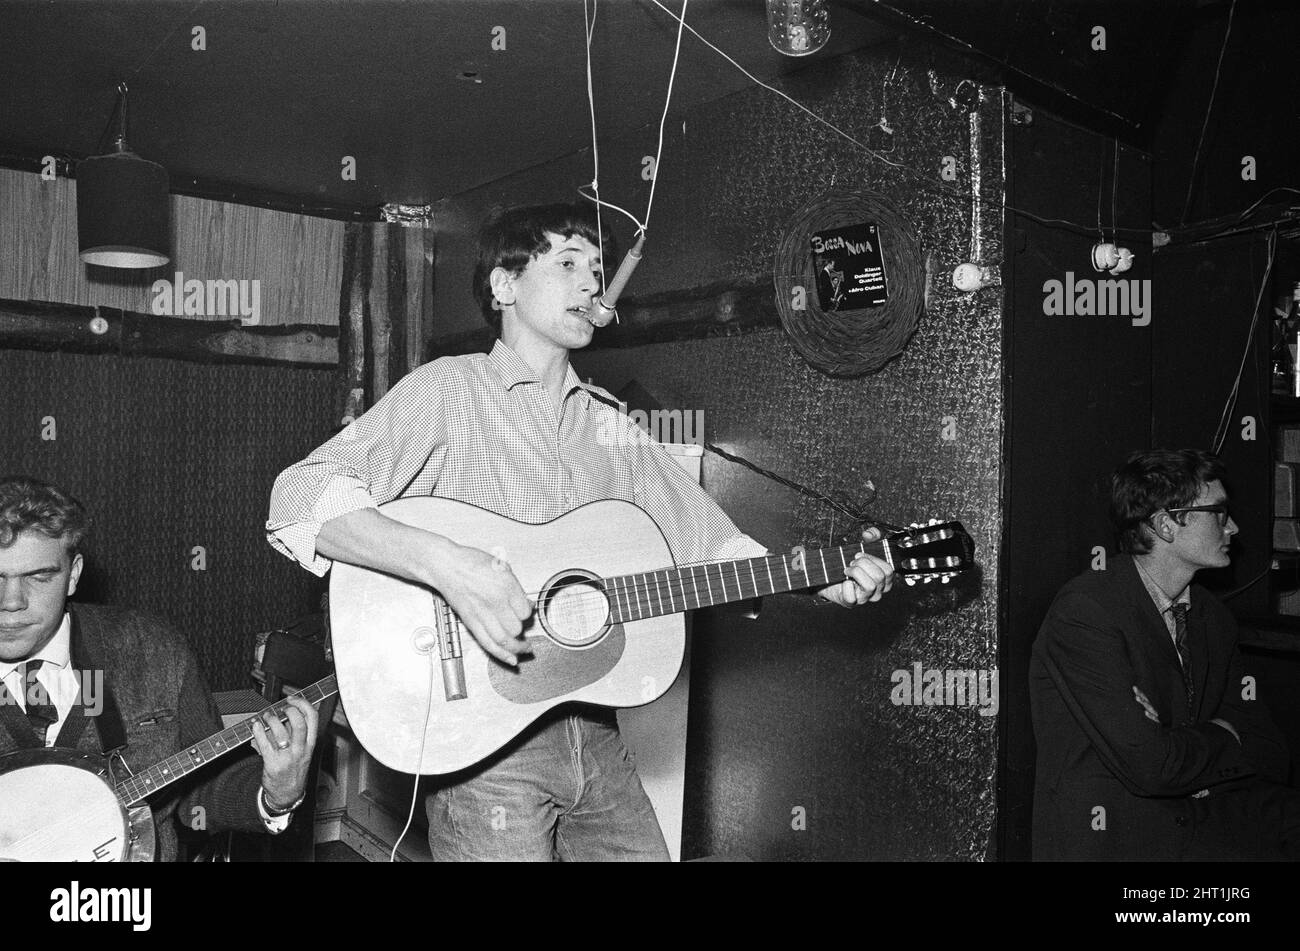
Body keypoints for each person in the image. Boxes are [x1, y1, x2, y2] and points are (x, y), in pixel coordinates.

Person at [267, 202, 894, 861]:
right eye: (567, 263)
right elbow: (299, 496)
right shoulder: (450, 388)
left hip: (596, 736)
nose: (592, 283)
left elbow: (711, 544)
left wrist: (822, 579)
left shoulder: (610, 423)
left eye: (597, 269)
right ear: (504, 286)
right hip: (485, 751)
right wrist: (450, 565)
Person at [0, 476, 318, 862]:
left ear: (73, 574)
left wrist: (276, 795)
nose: (12, 602)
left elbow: (201, 790)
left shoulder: (153, 648)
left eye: (38, 577)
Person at [1029, 449, 1299, 860]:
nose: (1235, 527)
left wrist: (1176, 744)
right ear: (1166, 524)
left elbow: (1269, 750)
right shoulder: (1086, 612)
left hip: (1200, 836)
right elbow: (1152, 766)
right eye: (1219, 512)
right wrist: (1225, 732)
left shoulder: (1212, 617)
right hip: (1117, 847)